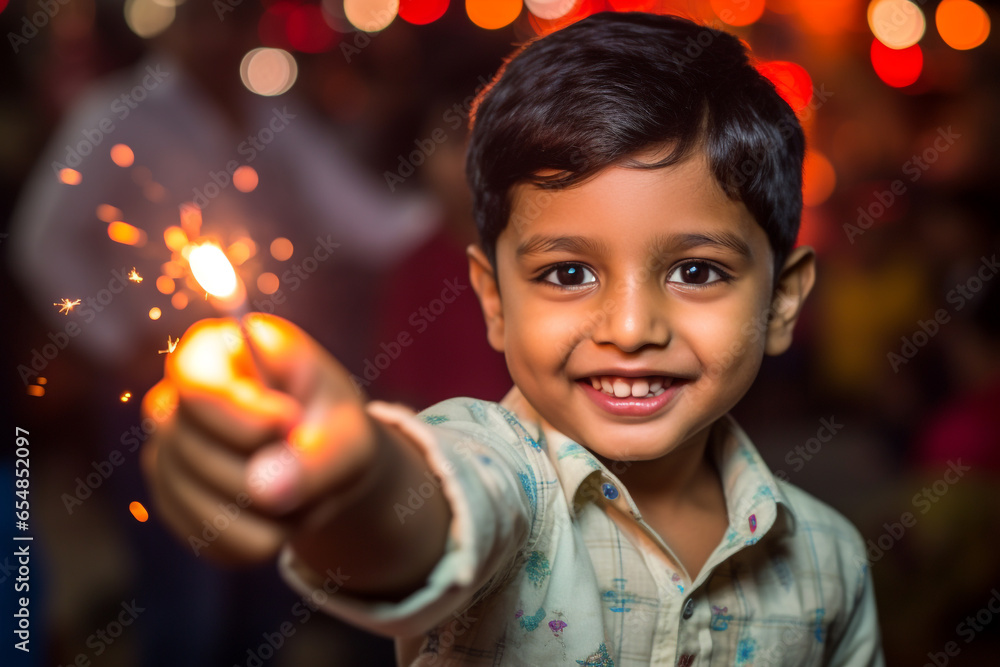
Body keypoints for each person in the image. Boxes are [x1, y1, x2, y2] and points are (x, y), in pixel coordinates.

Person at [141, 12, 884, 666]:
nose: (630, 328)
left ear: (782, 301)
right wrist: (346, 479)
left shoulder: (832, 559)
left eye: (695, 270)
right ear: (493, 299)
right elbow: (422, 511)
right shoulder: (500, 472)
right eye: (567, 273)